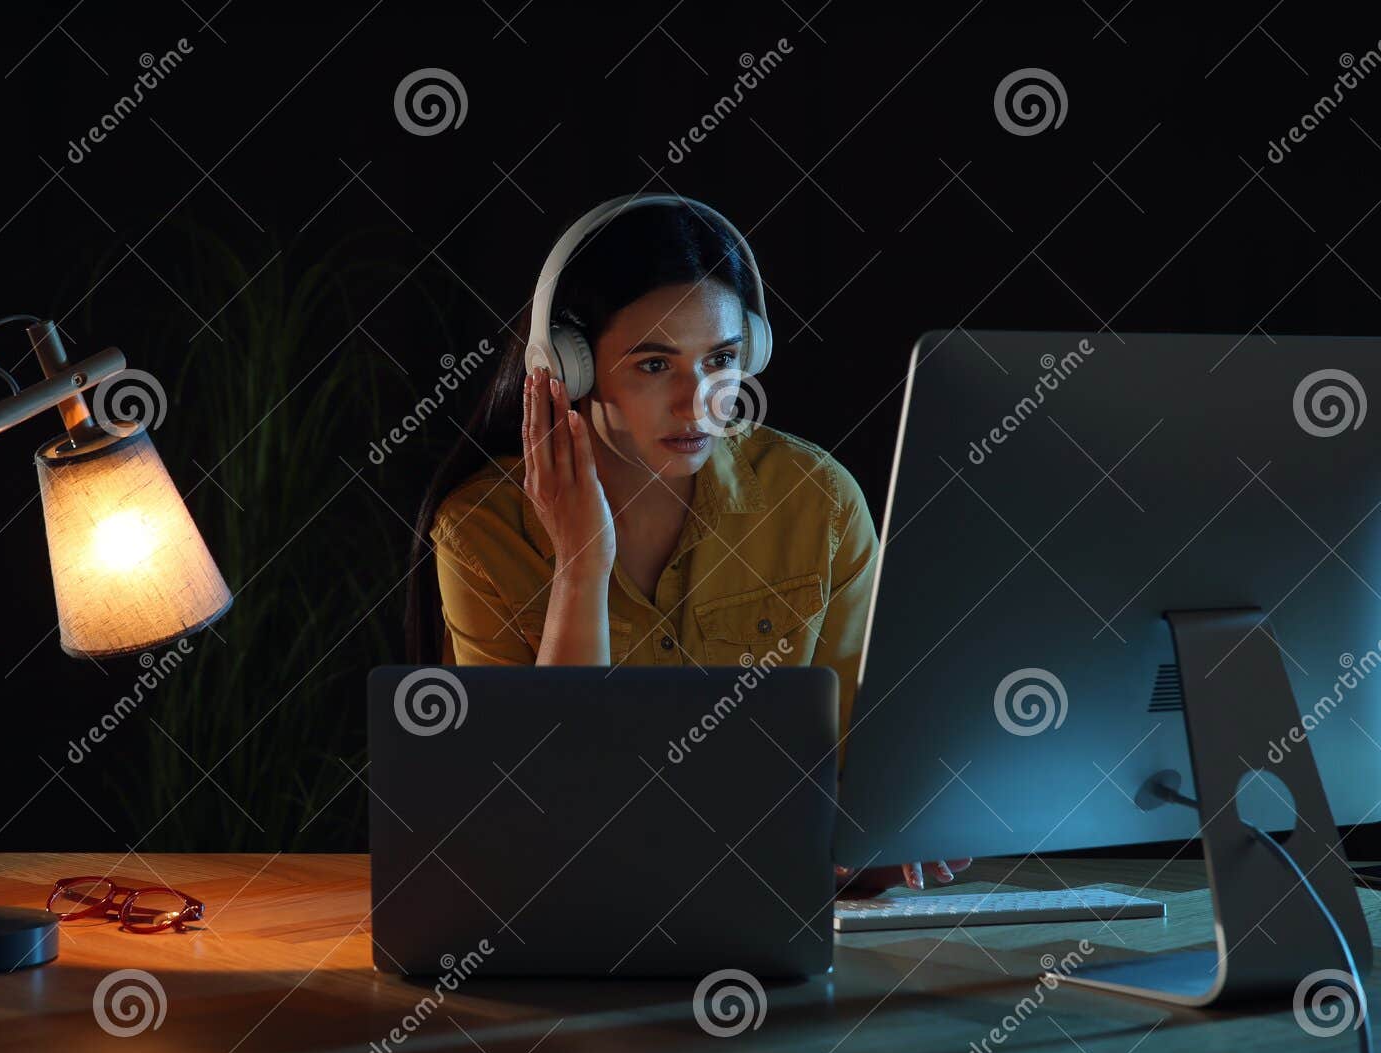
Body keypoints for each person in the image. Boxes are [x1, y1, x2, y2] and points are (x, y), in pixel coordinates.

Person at [404, 197, 968, 893]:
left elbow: (864, 783)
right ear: (569, 368)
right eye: (653, 365)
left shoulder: (817, 502)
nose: (700, 401)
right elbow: (541, 819)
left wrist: (904, 827)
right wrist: (581, 566)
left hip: (773, 907)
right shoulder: (481, 531)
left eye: (722, 359)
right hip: (579, 918)